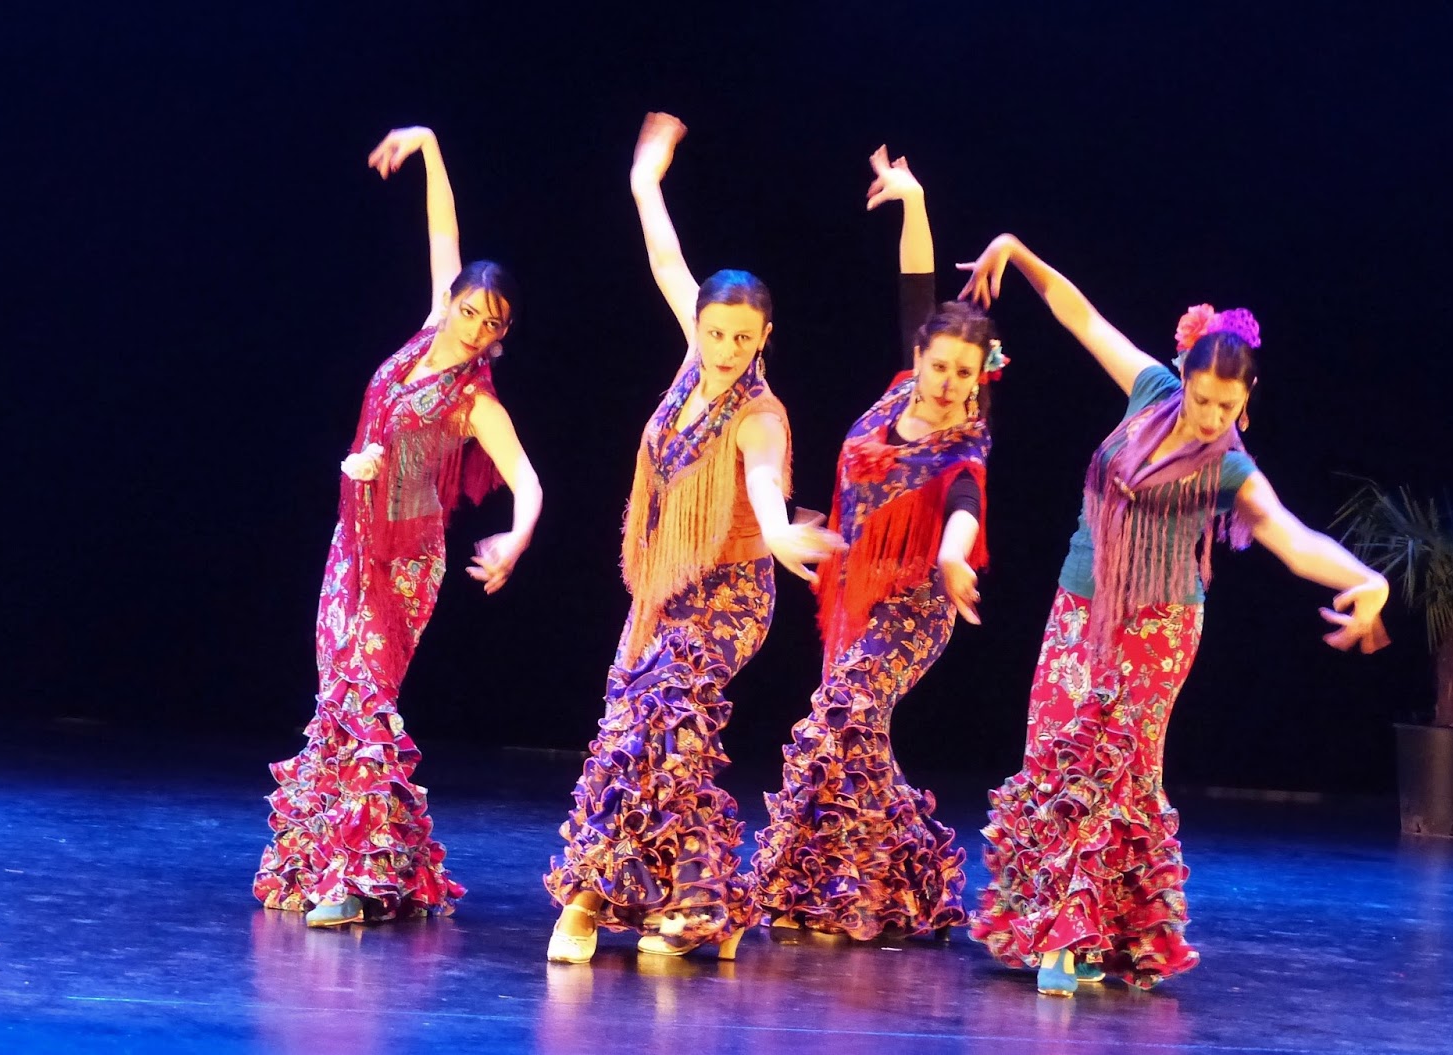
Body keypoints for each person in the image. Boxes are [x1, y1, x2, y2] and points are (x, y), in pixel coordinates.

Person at [958, 232, 1390, 995]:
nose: (1211, 414)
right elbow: (1080, 316)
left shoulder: (1230, 466)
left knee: (1110, 771)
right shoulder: (1152, 391)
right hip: (1077, 608)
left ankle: (1076, 939)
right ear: (1183, 380)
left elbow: (1292, 540)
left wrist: (1367, 577)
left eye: (1229, 404)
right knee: (1055, 758)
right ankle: (1070, 927)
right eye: (1203, 398)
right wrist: (1017, 253)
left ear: (1246, 402)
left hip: (1157, 631)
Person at [544, 113, 844, 963]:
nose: (723, 348)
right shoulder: (691, 360)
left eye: (742, 339)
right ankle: (703, 899)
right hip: (661, 588)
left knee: (657, 721)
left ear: (764, 339)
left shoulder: (760, 416)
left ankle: (589, 902)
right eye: (715, 333)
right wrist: (648, 173)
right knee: (651, 742)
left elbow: (766, 496)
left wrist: (789, 540)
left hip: (730, 596)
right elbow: (667, 256)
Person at [255, 126, 543, 928]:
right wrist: (428, 144)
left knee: (364, 698)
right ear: (451, 302)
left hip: (408, 560)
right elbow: (441, 222)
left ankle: (354, 879)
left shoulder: (475, 399)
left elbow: (527, 478)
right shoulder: (426, 328)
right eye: (470, 312)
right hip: (350, 545)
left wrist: (516, 536)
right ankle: (367, 863)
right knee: (336, 697)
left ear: (502, 334)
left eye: (492, 325)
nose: (476, 329)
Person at [751, 148, 1003, 940]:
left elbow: (964, 507)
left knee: (846, 714)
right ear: (921, 358)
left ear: (978, 377)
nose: (947, 381)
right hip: (848, 595)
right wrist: (914, 201)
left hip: (912, 606)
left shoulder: (966, 445)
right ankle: (889, 878)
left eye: (963, 373)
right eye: (939, 365)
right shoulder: (900, 387)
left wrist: (956, 554)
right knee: (854, 731)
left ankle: (863, 886)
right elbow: (917, 288)